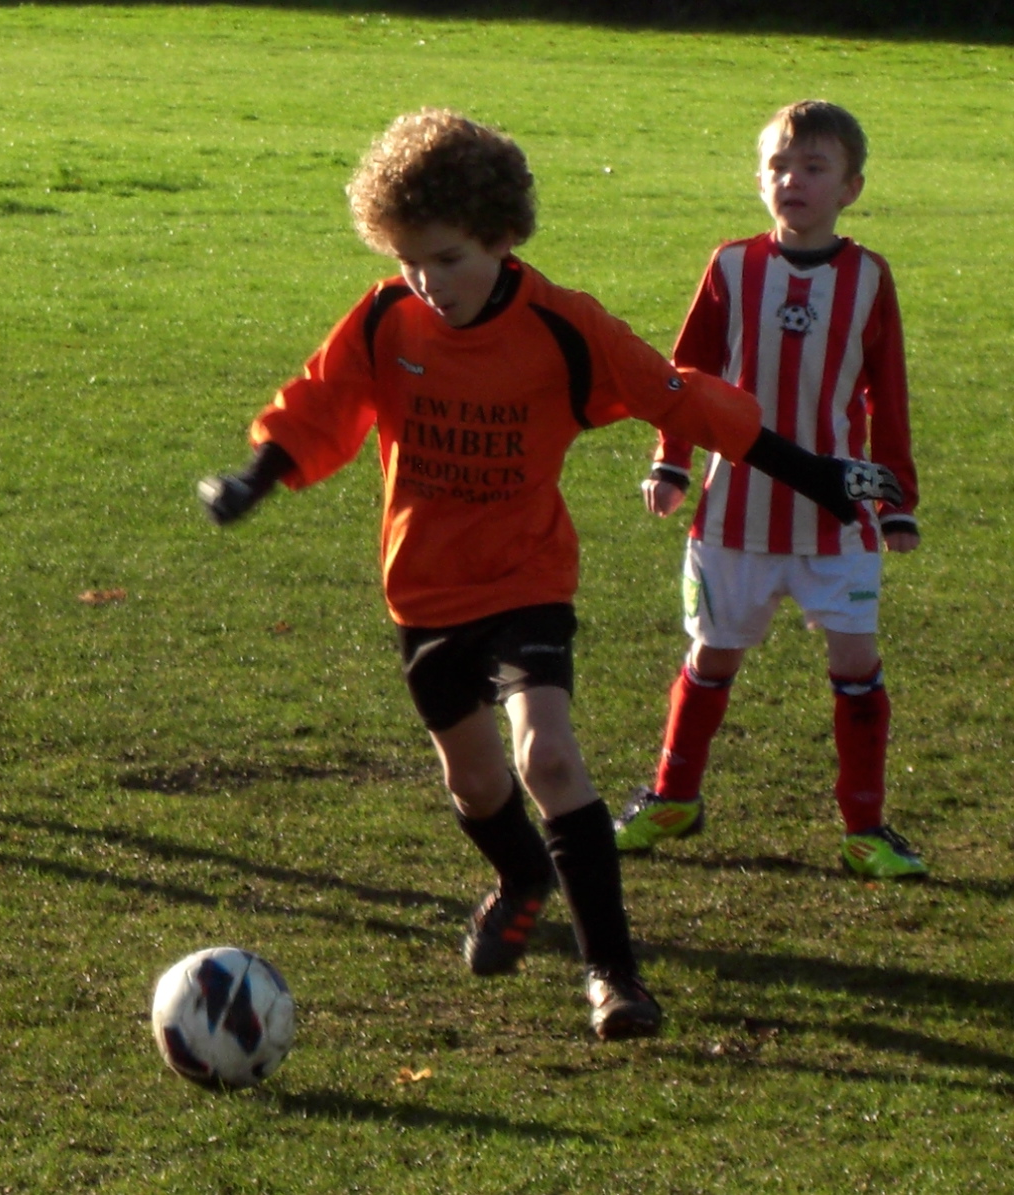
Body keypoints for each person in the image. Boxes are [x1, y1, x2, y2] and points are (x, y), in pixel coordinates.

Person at [198, 109, 902, 1040]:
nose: (427, 281)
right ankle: (522, 874)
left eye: (447, 258)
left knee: (549, 757)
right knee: (475, 785)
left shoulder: (562, 327)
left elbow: (679, 396)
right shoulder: (384, 317)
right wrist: (255, 477)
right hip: (423, 591)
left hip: (526, 577)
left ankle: (614, 977)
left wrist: (814, 473)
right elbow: (318, 404)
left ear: (501, 235)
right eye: (408, 259)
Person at [617, 101, 925, 880]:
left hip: (837, 519)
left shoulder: (868, 277)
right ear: (759, 181)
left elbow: (885, 394)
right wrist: (671, 461)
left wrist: (896, 501)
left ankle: (864, 827)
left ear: (849, 188)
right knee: (711, 657)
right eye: (779, 167)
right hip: (734, 512)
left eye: (813, 168)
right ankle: (672, 796)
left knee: (855, 662)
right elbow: (683, 375)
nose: (793, 181)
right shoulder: (730, 266)